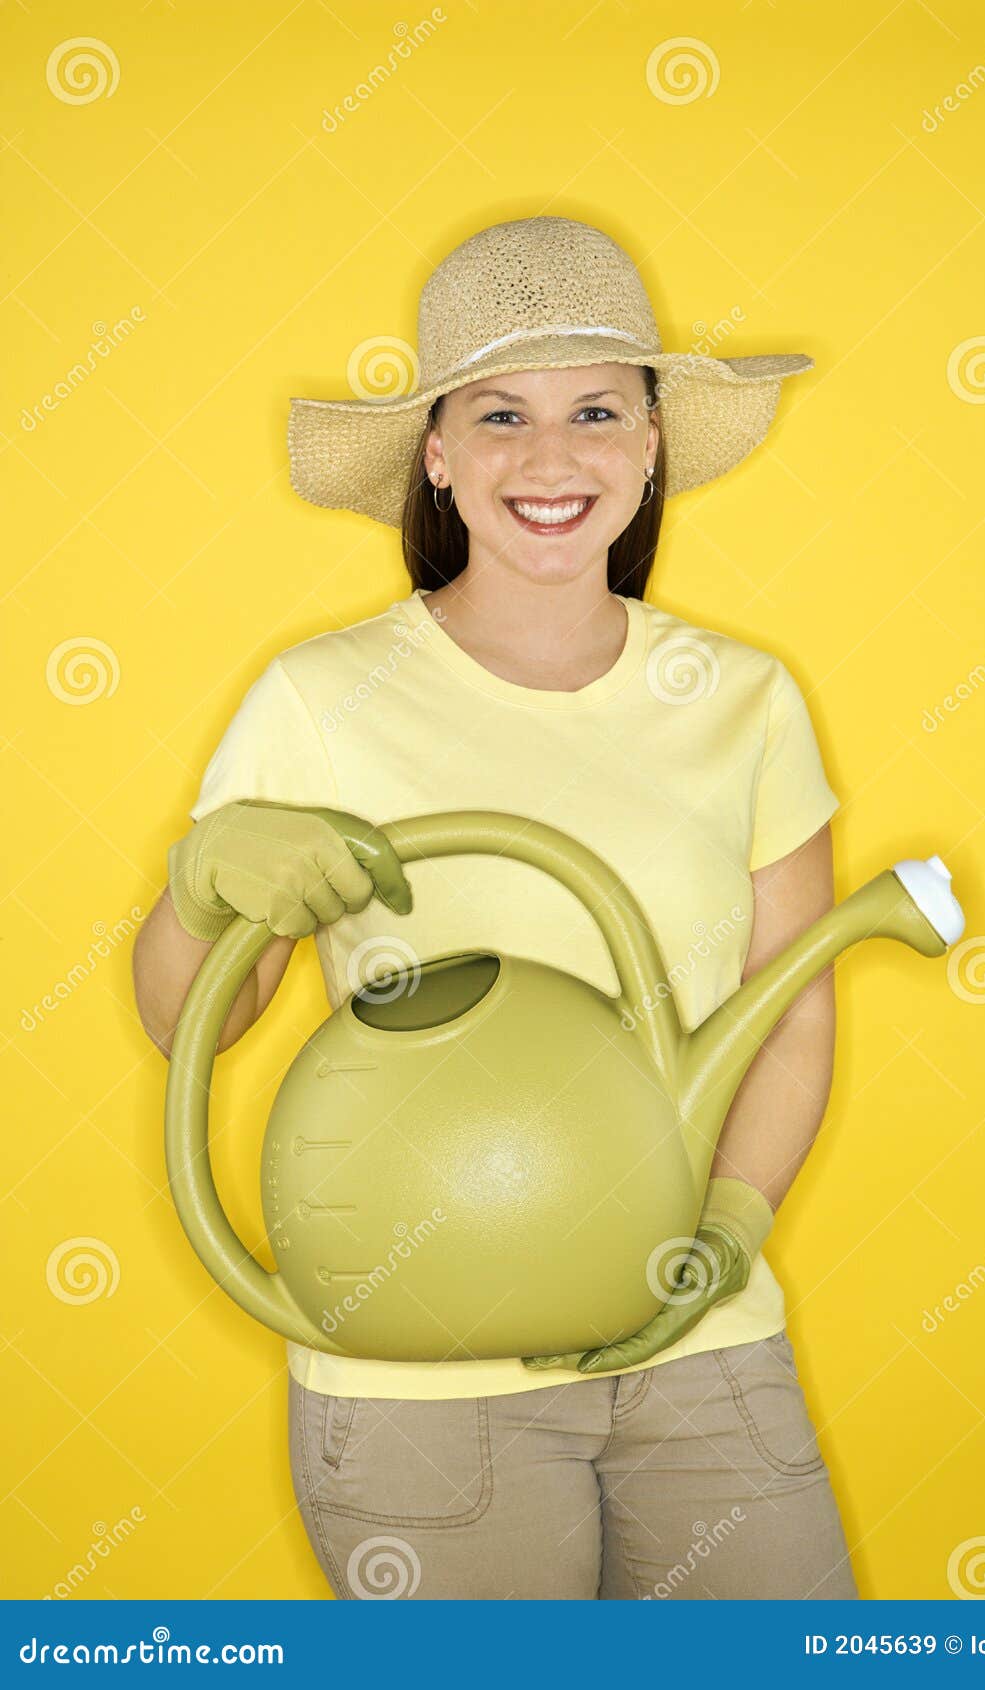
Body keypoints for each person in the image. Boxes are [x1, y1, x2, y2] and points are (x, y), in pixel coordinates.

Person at [133, 215, 859, 1601]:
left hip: (704, 1351)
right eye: (501, 414)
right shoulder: (317, 695)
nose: (552, 457)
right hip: (417, 1375)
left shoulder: (748, 700)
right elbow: (190, 1020)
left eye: (596, 409)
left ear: (651, 444)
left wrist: (731, 1231)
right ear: (439, 454)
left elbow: (795, 1003)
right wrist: (202, 881)